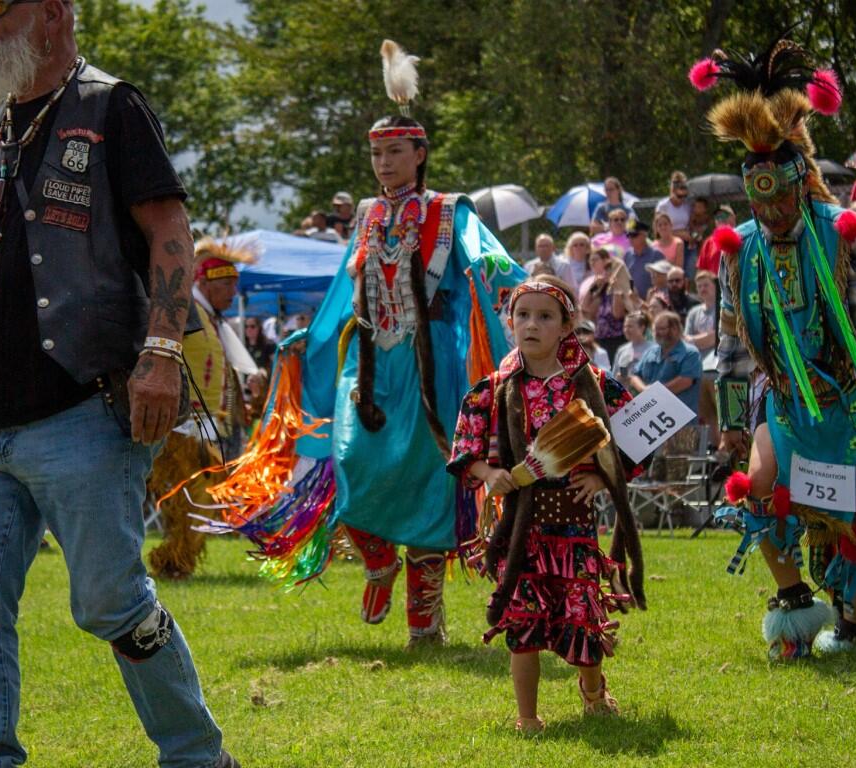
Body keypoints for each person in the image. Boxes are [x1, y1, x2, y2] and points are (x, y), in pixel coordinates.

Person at [0, 2, 235, 766]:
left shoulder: (111, 108)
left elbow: (168, 231)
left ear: (56, 11)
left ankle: (198, 757)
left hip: (81, 410)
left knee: (110, 602)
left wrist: (162, 352)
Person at [198, 40, 524, 647]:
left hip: (434, 367)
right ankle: (377, 560)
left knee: (432, 477)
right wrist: (310, 338)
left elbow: (493, 261)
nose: (383, 163)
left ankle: (424, 620)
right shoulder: (369, 215)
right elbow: (341, 294)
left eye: (395, 152)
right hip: (368, 362)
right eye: (377, 153)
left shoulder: (450, 212)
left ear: (420, 153)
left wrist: (531, 291)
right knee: (347, 459)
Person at [693, 39, 856, 659]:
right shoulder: (743, 249)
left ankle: (854, 626)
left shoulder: (847, 232)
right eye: (759, 201)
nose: (772, 212)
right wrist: (733, 422)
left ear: (801, 182)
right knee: (755, 489)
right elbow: (732, 341)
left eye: (781, 198)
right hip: (784, 401)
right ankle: (792, 604)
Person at [447, 276, 645, 730]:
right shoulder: (494, 388)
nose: (531, 325)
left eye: (544, 316)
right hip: (519, 528)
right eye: (522, 315)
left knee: (581, 614)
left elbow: (639, 435)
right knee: (522, 623)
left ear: (566, 325)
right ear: (510, 323)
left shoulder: (591, 383)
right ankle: (527, 717)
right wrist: (489, 474)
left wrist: (602, 474)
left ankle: (594, 694)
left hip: (574, 525)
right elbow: (464, 451)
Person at [146, 238, 259, 580]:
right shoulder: (184, 311)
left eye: (235, 286)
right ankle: (173, 562)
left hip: (205, 429)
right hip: (182, 427)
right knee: (192, 500)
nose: (232, 294)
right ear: (205, 283)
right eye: (226, 285)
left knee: (199, 500)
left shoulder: (210, 319)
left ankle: (176, 562)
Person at [629, 311, 701, 414]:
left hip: (680, 419)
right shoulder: (650, 352)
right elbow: (634, 376)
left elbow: (685, 381)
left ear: (675, 329)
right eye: (655, 330)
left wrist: (655, 393)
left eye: (662, 329)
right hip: (651, 417)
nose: (657, 333)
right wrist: (644, 389)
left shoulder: (690, 353)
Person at [684, 270, 720, 445]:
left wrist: (701, 339)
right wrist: (706, 338)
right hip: (699, 371)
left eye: (706, 285)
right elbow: (687, 341)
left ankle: (728, 452)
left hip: (718, 369)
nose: (703, 289)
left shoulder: (722, 308)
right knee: (708, 415)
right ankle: (715, 451)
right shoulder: (694, 313)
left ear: (715, 286)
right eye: (699, 286)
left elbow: (717, 337)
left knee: (722, 413)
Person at [579, 246, 629, 360]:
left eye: (610, 269)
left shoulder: (621, 289)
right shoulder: (602, 289)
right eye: (606, 269)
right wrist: (593, 287)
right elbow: (585, 309)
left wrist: (616, 287)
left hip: (617, 339)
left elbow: (617, 314)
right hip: (600, 337)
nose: (607, 272)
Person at [623, 219, 664, 299]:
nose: (631, 239)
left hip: (653, 302)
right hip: (632, 303)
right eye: (629, 236)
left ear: (644, 235)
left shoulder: (657, 255)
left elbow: (663, 282)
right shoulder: (627, 255)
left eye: (634, 235)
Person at [612, 311, 651, 384]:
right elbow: (614, 377)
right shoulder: (622, 350)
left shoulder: (653, 349)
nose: (626, 330)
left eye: (630, 326)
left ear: (642, 328)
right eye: (625, 326)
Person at [697, 205, 736, 274]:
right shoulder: (709, 242)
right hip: (715, 281)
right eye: (717, 217)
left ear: (733, 218)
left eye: (724, 215)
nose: (720, 219)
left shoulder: (742, 237)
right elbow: (701, 269)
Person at [654, 171, 693, 239]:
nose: (682, 199)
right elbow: (658, 231)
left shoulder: (687, 206)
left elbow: (691, 226)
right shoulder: (663, 206)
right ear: (673, 191)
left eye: (685, 196)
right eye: (679, 196)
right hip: (668, 241)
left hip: (686, 243)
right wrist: (679, 234)